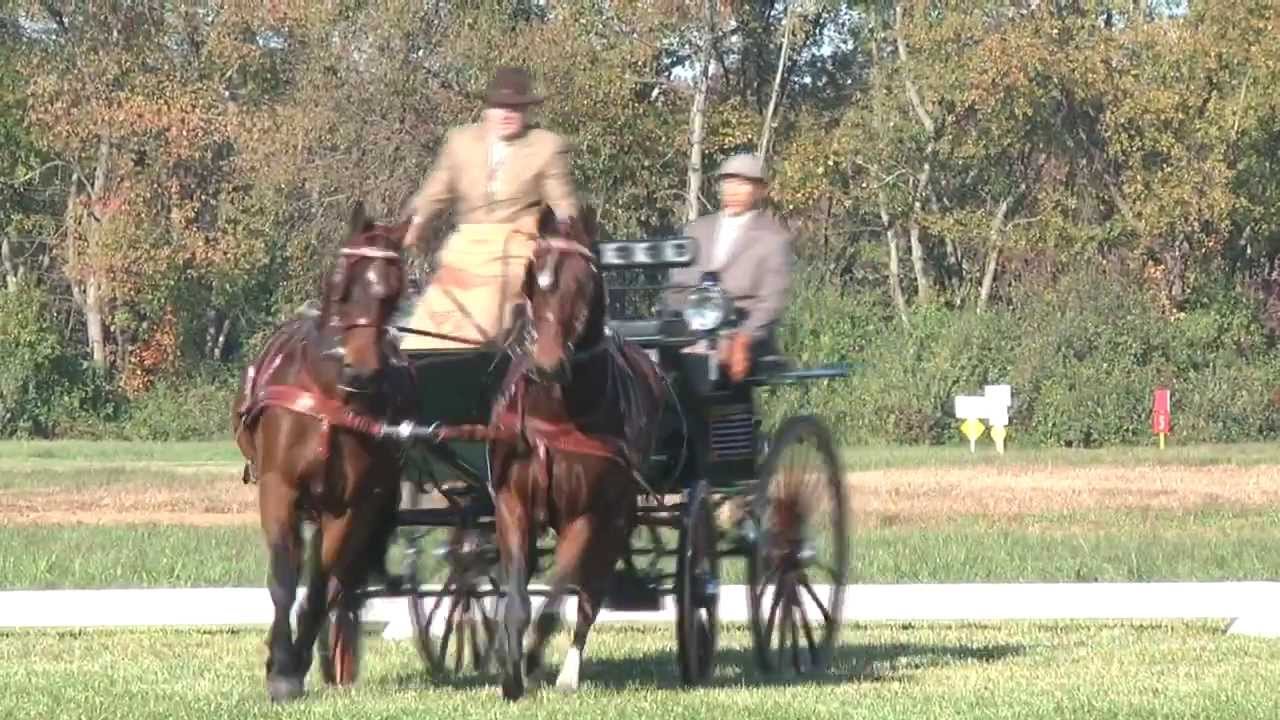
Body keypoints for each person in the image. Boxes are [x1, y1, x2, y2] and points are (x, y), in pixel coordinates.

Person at [398, 66, 580, 350]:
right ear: (487, 109)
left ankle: (480, 365)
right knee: (426, 325)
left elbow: (563, 203)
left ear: (526, 111)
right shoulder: (461, 142)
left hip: (516, 247)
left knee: (483, 316)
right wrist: (415, 222)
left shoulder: (546, 146)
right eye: (500, 107)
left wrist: (571, 231)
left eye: (515, 108)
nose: (506, 114)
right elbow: (436, 190)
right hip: (466, 247)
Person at [667, 152, 793, 382]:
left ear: (759, 190)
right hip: (690, 327)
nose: (733, 190)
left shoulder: (772, 238)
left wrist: (744, 337)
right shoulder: (697, 231)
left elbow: (771, 301)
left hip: (742, 332)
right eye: (728, 182)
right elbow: (677, 287)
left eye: (742, 183)